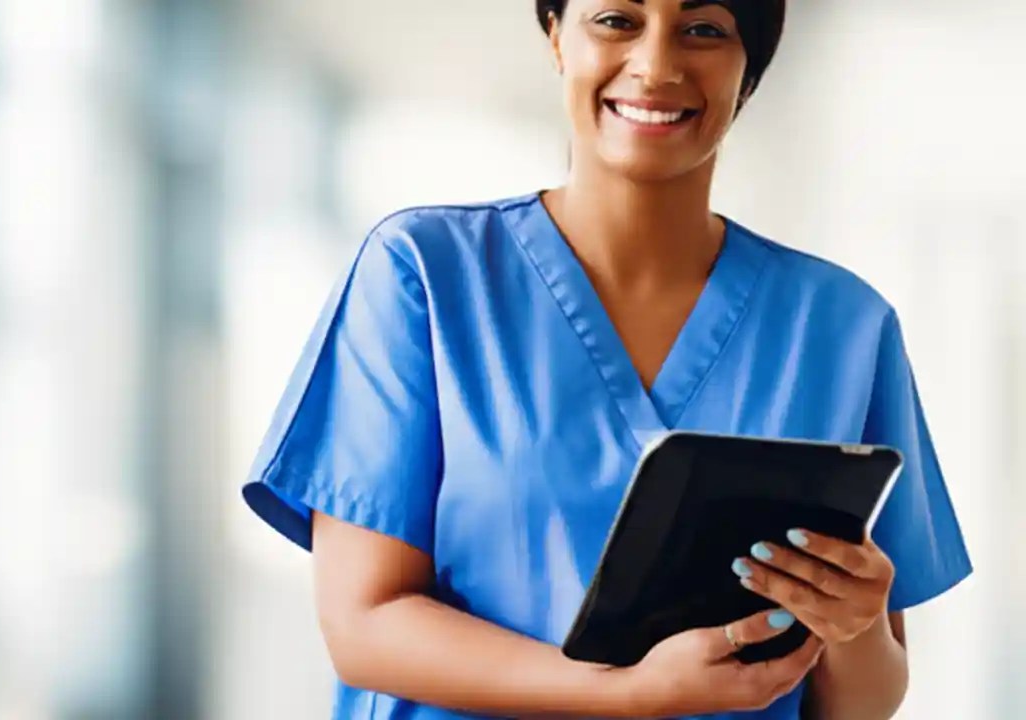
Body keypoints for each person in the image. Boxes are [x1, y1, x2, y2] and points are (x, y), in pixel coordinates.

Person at [240, 0, 973, 717]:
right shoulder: (423, 276)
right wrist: (624, 697)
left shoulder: (843, 325)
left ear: (749, 67)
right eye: (617, 21)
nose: (656, 66)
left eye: (704, 29)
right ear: (557, 35)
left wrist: (857, 624)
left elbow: (864, 703)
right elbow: (365, 625)